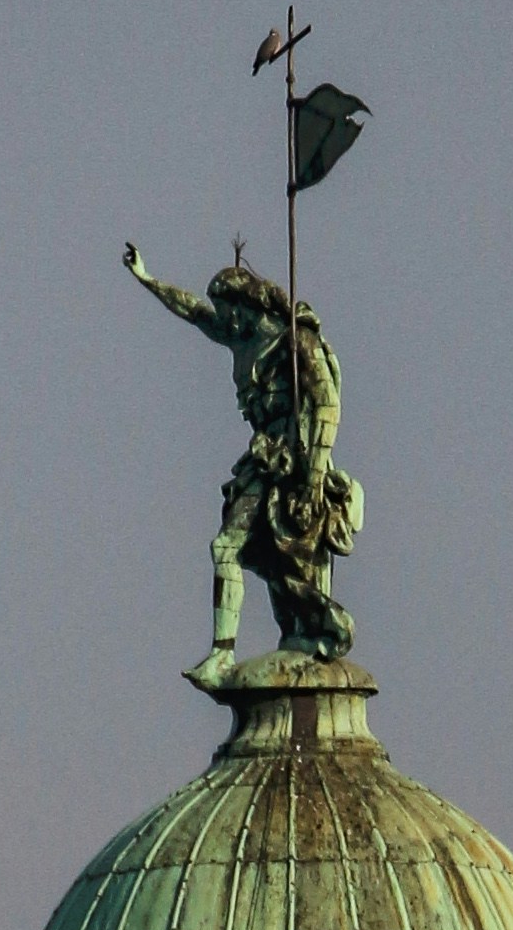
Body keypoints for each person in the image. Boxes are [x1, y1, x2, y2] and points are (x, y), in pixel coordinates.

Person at [124, 242, 363, 680]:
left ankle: (306, 632)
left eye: (227, 307)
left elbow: (326, 405)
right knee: (230, 548)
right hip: (263, 459)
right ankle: (222, 653)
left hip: (297, 462)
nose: (223, 319)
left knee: (291, 560)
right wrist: (148, 279)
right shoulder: (241, 336)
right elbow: (193, 311)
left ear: (246, 302)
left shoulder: (296, 341)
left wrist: (312, 476)